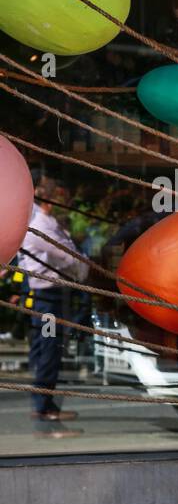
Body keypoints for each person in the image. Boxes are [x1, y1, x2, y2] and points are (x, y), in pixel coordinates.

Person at [16, 176, 89, 433]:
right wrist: (84, 268)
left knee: (49, 349)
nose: (65, 204)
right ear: (49, 201)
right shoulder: (41, 226)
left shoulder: (48, 223)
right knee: (49, 350)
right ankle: (43, 406)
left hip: (52, 296)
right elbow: (68, 258)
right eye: (60, 199)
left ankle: (46, 404)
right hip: (47, 298)